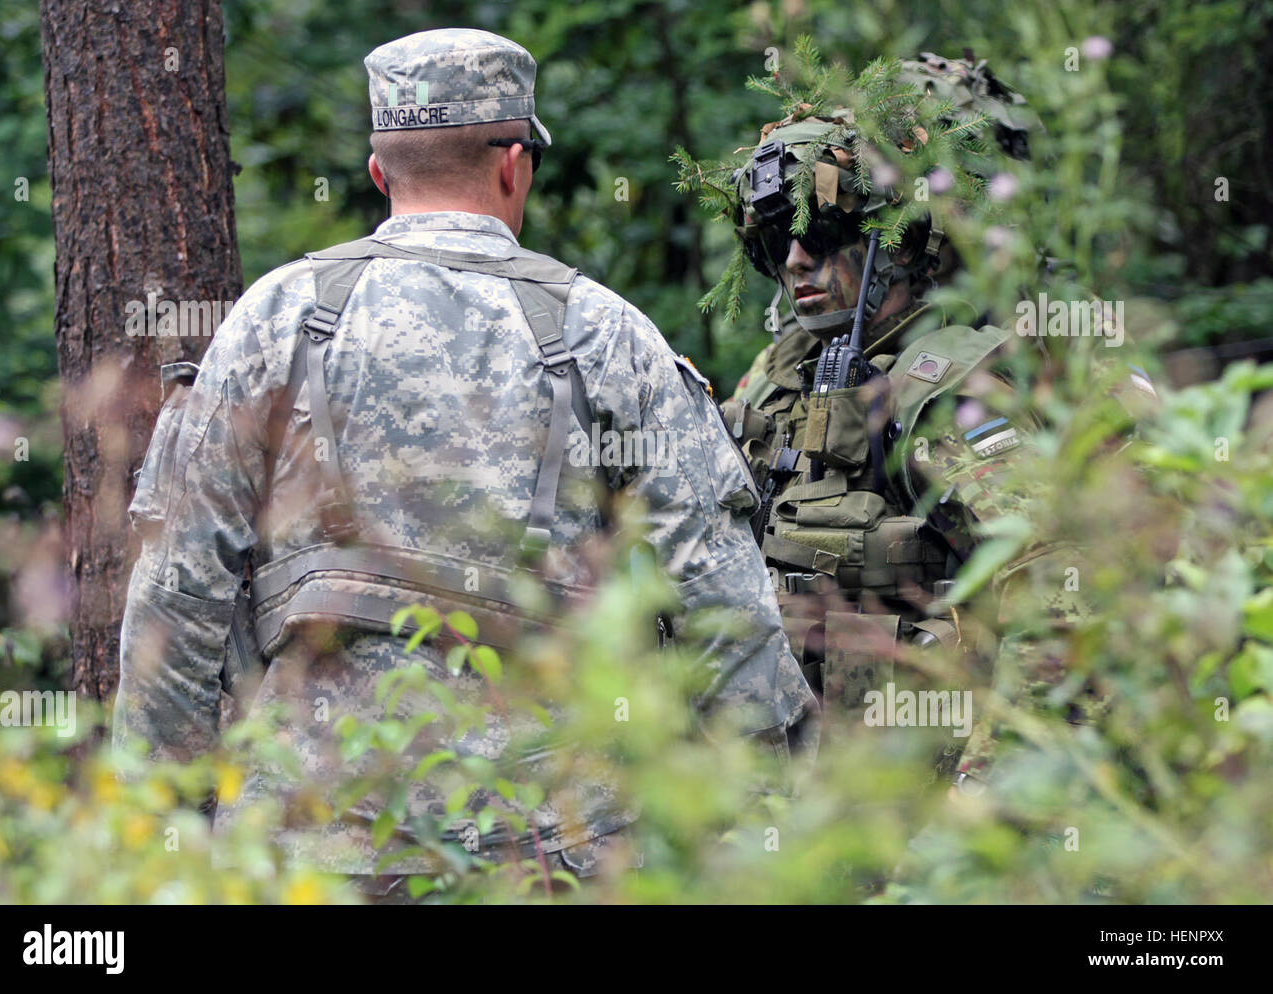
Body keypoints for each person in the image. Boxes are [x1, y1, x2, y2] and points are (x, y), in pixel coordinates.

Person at [112, 27, 815, 892]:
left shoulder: (274, 319)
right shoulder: (605, 335)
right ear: (514, 163)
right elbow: (720, 601)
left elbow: (177, 594)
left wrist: (156, 836)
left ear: (379, 172)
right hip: (554, 840)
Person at [715, 52, 1140, 786]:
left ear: (901, 244)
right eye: (777, 239)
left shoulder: (943, 389)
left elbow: (1052, 592)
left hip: (914, 790)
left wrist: (990, 797)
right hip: (784, 777)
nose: (794, 261)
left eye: (820, 236)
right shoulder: (780, 373)